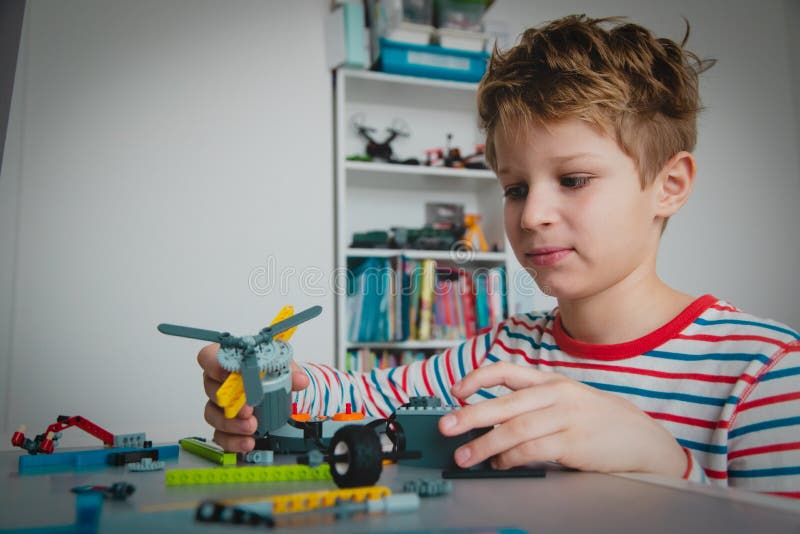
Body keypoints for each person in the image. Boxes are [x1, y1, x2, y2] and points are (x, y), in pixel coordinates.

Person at [197, 15, 799, 497]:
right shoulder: (499, 351)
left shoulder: (765, 373)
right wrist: (277, 387)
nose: (530, 214)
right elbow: (367, 396)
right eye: (514, 187)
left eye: (574, 179)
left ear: (669, 185)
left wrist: (663, 462)